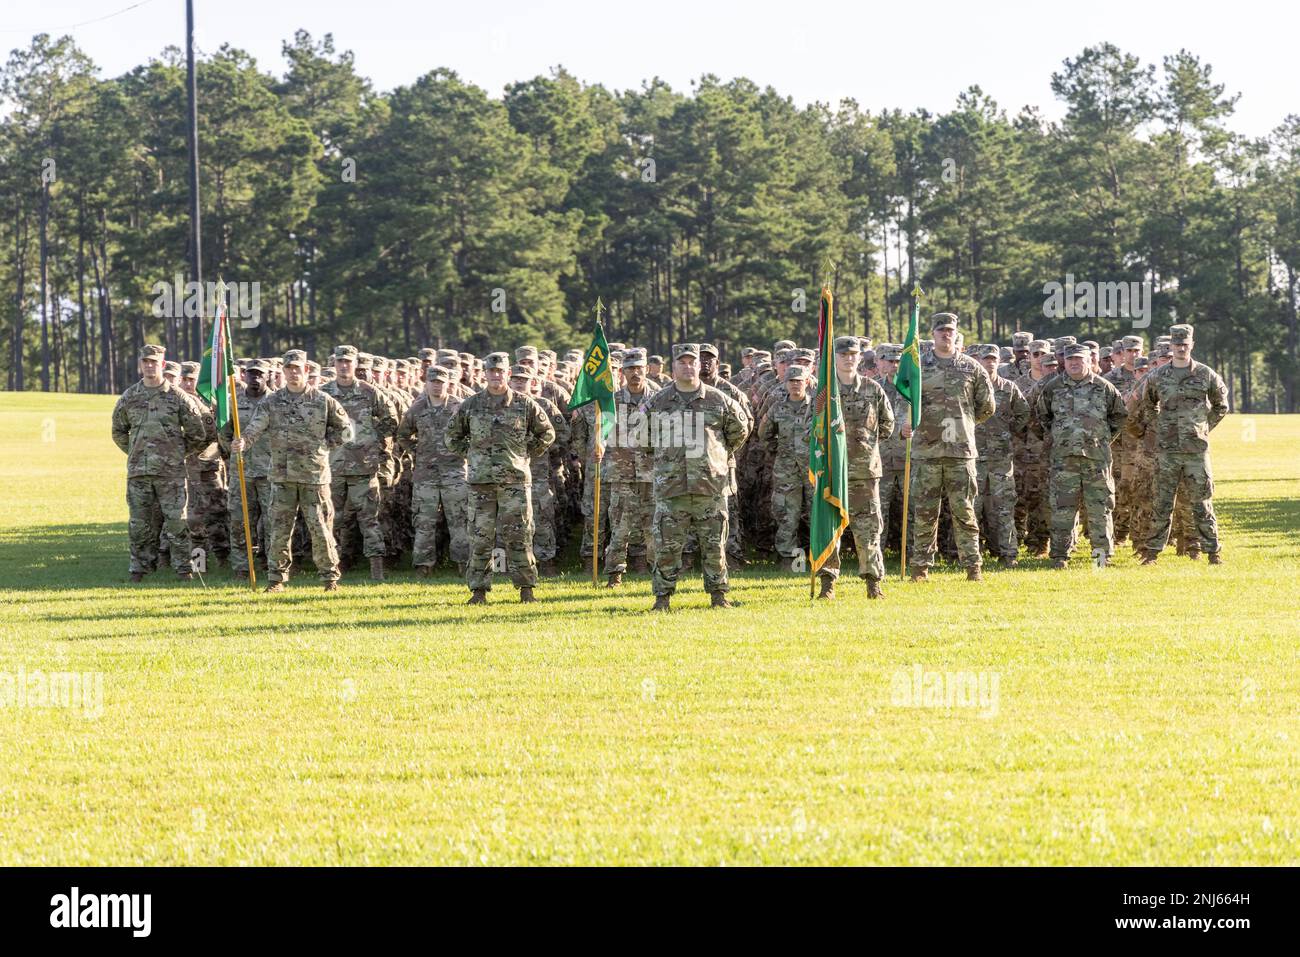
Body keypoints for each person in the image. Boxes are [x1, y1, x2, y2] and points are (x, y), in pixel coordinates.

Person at [642, 343, 749, 610]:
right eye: (682, 362)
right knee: (667, 546)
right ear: (674, 366)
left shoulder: (719, 399)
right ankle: (662, 598)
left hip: (710, 485)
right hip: (672, 487)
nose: (688, 366)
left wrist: (716, 454)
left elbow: (740, 430)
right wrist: (669, 456)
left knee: (714, 545)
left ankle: (718, 596)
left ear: (699, 366)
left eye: (693, 362)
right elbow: (643, 437)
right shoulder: (658, 401)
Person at [444, 352, 556, 604]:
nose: (496, 375)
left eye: (501, 371)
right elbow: (451, 436)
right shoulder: (471, 405)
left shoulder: (524, 404)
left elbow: (547, 433)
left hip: (514, 483)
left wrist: (525, 454)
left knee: (520, 536)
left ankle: (527, 589)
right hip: (481, 483)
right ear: (485, 373)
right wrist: (472, 455)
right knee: (481, 537)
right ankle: (478, 591)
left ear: (507, 373)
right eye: (492, 371)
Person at [235, 350, 351, 592]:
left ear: (306, 370)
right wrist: (244, 441)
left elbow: (345, 430)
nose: (293, 372)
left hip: (314, 477)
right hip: (282, 477)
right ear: (283, 371)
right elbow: (256, 426)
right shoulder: (272, 401)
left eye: (297, 368)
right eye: (289, 368)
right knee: (279, 530)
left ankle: (330, 579)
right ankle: (276, 579)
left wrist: (323, 446)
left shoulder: (323, 400)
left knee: (320, 529)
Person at [900, 313, 995, 581]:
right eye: (941, 330)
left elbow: (987, 406)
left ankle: (972, 567)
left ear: (956, 333)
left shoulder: (971, 367)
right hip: (926, 451)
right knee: (925, 512)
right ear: (932, 333)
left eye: (950, 330)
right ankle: (920, 567)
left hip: (960, 452)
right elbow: (904, 401)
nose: (946, 334)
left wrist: (963, 422)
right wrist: (904, 425)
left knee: (964, 510)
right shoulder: (918, 367)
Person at [1130, 324, 1229, 565]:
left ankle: (1213, 552)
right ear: (1171, 347)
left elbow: (1221, 406)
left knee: (1202, 502)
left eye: (1185, 344)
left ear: (1192, 345)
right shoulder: (1158, 375)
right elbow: (1147, 403)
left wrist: (1203, 428)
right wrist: (1159, 426)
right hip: (1168, 451)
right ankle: (1151, 553)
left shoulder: (1206, 374)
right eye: (1177, 345)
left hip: (1196, 451)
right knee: (1162, 502)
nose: (1181, 348)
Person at [111, 344, 209, 581]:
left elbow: (198, 433)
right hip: (138, 474)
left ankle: (184, 570)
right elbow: (118, 431)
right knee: (139, 524)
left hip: (171, 474)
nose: (149, 365)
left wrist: (176, 454)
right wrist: (136, 452)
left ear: (163, 365)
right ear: (140, 365)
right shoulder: (129, 396)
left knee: (177, 523)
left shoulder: (177, 397)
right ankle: (139, 569)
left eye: (154, 362)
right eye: (145, 361)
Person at [1033, 343, 1127, 568]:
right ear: (1064, 361)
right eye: (1070, 359)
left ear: (1089, 361)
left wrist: (1101, 439)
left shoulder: (1104, 387)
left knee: (1100, 509)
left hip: (1096, 460)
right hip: (1064, 460)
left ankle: (1101, 558)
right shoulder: (1053, 387)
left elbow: (1119, 417)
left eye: (1079, 359)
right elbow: (1042, 417)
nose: (1074, 363)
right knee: (1062, 510)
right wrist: (1060, 437)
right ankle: (1059, 557)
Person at [817, 335, 895, 599]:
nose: (849, 358)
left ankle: (873, 583)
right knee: (830, 528)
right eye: (843, 355)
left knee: (869, 529)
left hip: (865, 473)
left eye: (853, 354)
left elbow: (887, 425)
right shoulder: (825, 392)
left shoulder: (873, 389)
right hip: (832, 473)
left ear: (860, 357)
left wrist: (865, 447)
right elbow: (812, 428)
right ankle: (827, 584)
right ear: (834, 359)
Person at [321, 345, 399, 581]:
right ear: (334, 364)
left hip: (364, 468)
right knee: (331, 519)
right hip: (333, 467)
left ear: (355, 364)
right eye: (340, 362)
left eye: (348, 362)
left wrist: (373, 440)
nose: (344, 366)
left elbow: (391, 418)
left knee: (369, 519)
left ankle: (376, 569)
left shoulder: (369, 392)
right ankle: (333, 568)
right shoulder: (323, 393)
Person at [397, 366, 470, 577]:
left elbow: (472, 434)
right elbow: (403, 435)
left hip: (455, 473)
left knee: (460, 521)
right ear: (426, 383)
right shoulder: (417, 408)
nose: (437, 385)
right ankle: (423, 566)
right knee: (424, 521)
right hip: (425, 475)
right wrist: (417, 452)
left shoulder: (459, 407)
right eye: (433, 382)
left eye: (441, 382)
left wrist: (462, 453)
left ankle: (463, 564)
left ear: (449, 383)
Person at [971, 344, 1030, 567]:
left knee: (1004, 508)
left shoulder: (1009, 387)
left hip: (1001, 459)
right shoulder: (970, 388)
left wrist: (1009, 430)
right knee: (972, 508)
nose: (989, 362)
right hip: (974, 457)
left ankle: (1009, 554)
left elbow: (1023, 412)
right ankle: (972, 556)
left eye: (993, 359)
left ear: (998, 362)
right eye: (985, 359)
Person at [757, 364, 814, 571]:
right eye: (791, 381)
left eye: (799, 381)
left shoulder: (817, 407)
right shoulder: (777, 408)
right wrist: (778, 451)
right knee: (787, 515)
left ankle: (817, 557)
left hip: (813, 471)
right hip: (786, 471)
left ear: (807, 382)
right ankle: (790, 560)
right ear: (785, 383)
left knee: (815, 513)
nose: (795, 385)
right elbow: (764, 434)